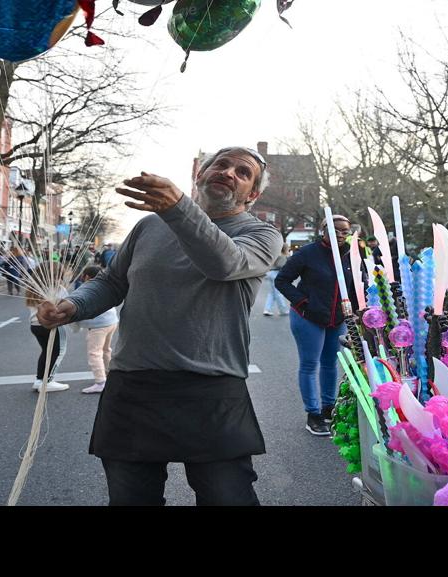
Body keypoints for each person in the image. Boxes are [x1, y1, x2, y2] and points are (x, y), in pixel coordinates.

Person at [38, 146, 283, 505]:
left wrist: (178, 208)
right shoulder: (150, 226)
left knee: (228, 498)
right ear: (201, 175)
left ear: (253, 194)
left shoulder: (261, 235)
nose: (229, 172)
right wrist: (74, 305)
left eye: (243, 172)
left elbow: (224, 264)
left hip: (211, 388)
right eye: (222, 164)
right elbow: (112, 281)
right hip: (133, 384)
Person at [274, 214, 360, 436]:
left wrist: (357, 310)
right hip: (308, 317)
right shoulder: (307, 253)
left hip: (338, 319)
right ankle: (313, 414)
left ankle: (328, 408)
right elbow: (282, 280)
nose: (340, 235)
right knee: (310, 364)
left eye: (345, 231)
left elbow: (356, 287)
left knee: (331, 363)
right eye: (335, 230)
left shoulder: (351, 256)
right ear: (323, 230)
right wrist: (303, 302)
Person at [73, 264, 117, 395]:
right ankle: (109, 375)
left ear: (87, 276)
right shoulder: (106, 286)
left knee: (94, 353)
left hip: (98, 325)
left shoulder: (88, 289)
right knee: (106, 350)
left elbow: (82, 308)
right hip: (112, 322)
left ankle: (100, 382)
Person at [261, 243, 291, 316]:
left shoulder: (275, 254)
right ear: (285, 248)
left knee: (272, 293)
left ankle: (267, 309)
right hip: (276, 274)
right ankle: (283, 310)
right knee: (278, 293)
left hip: (270, 273)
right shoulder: (282, 256)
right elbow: (280, 266)